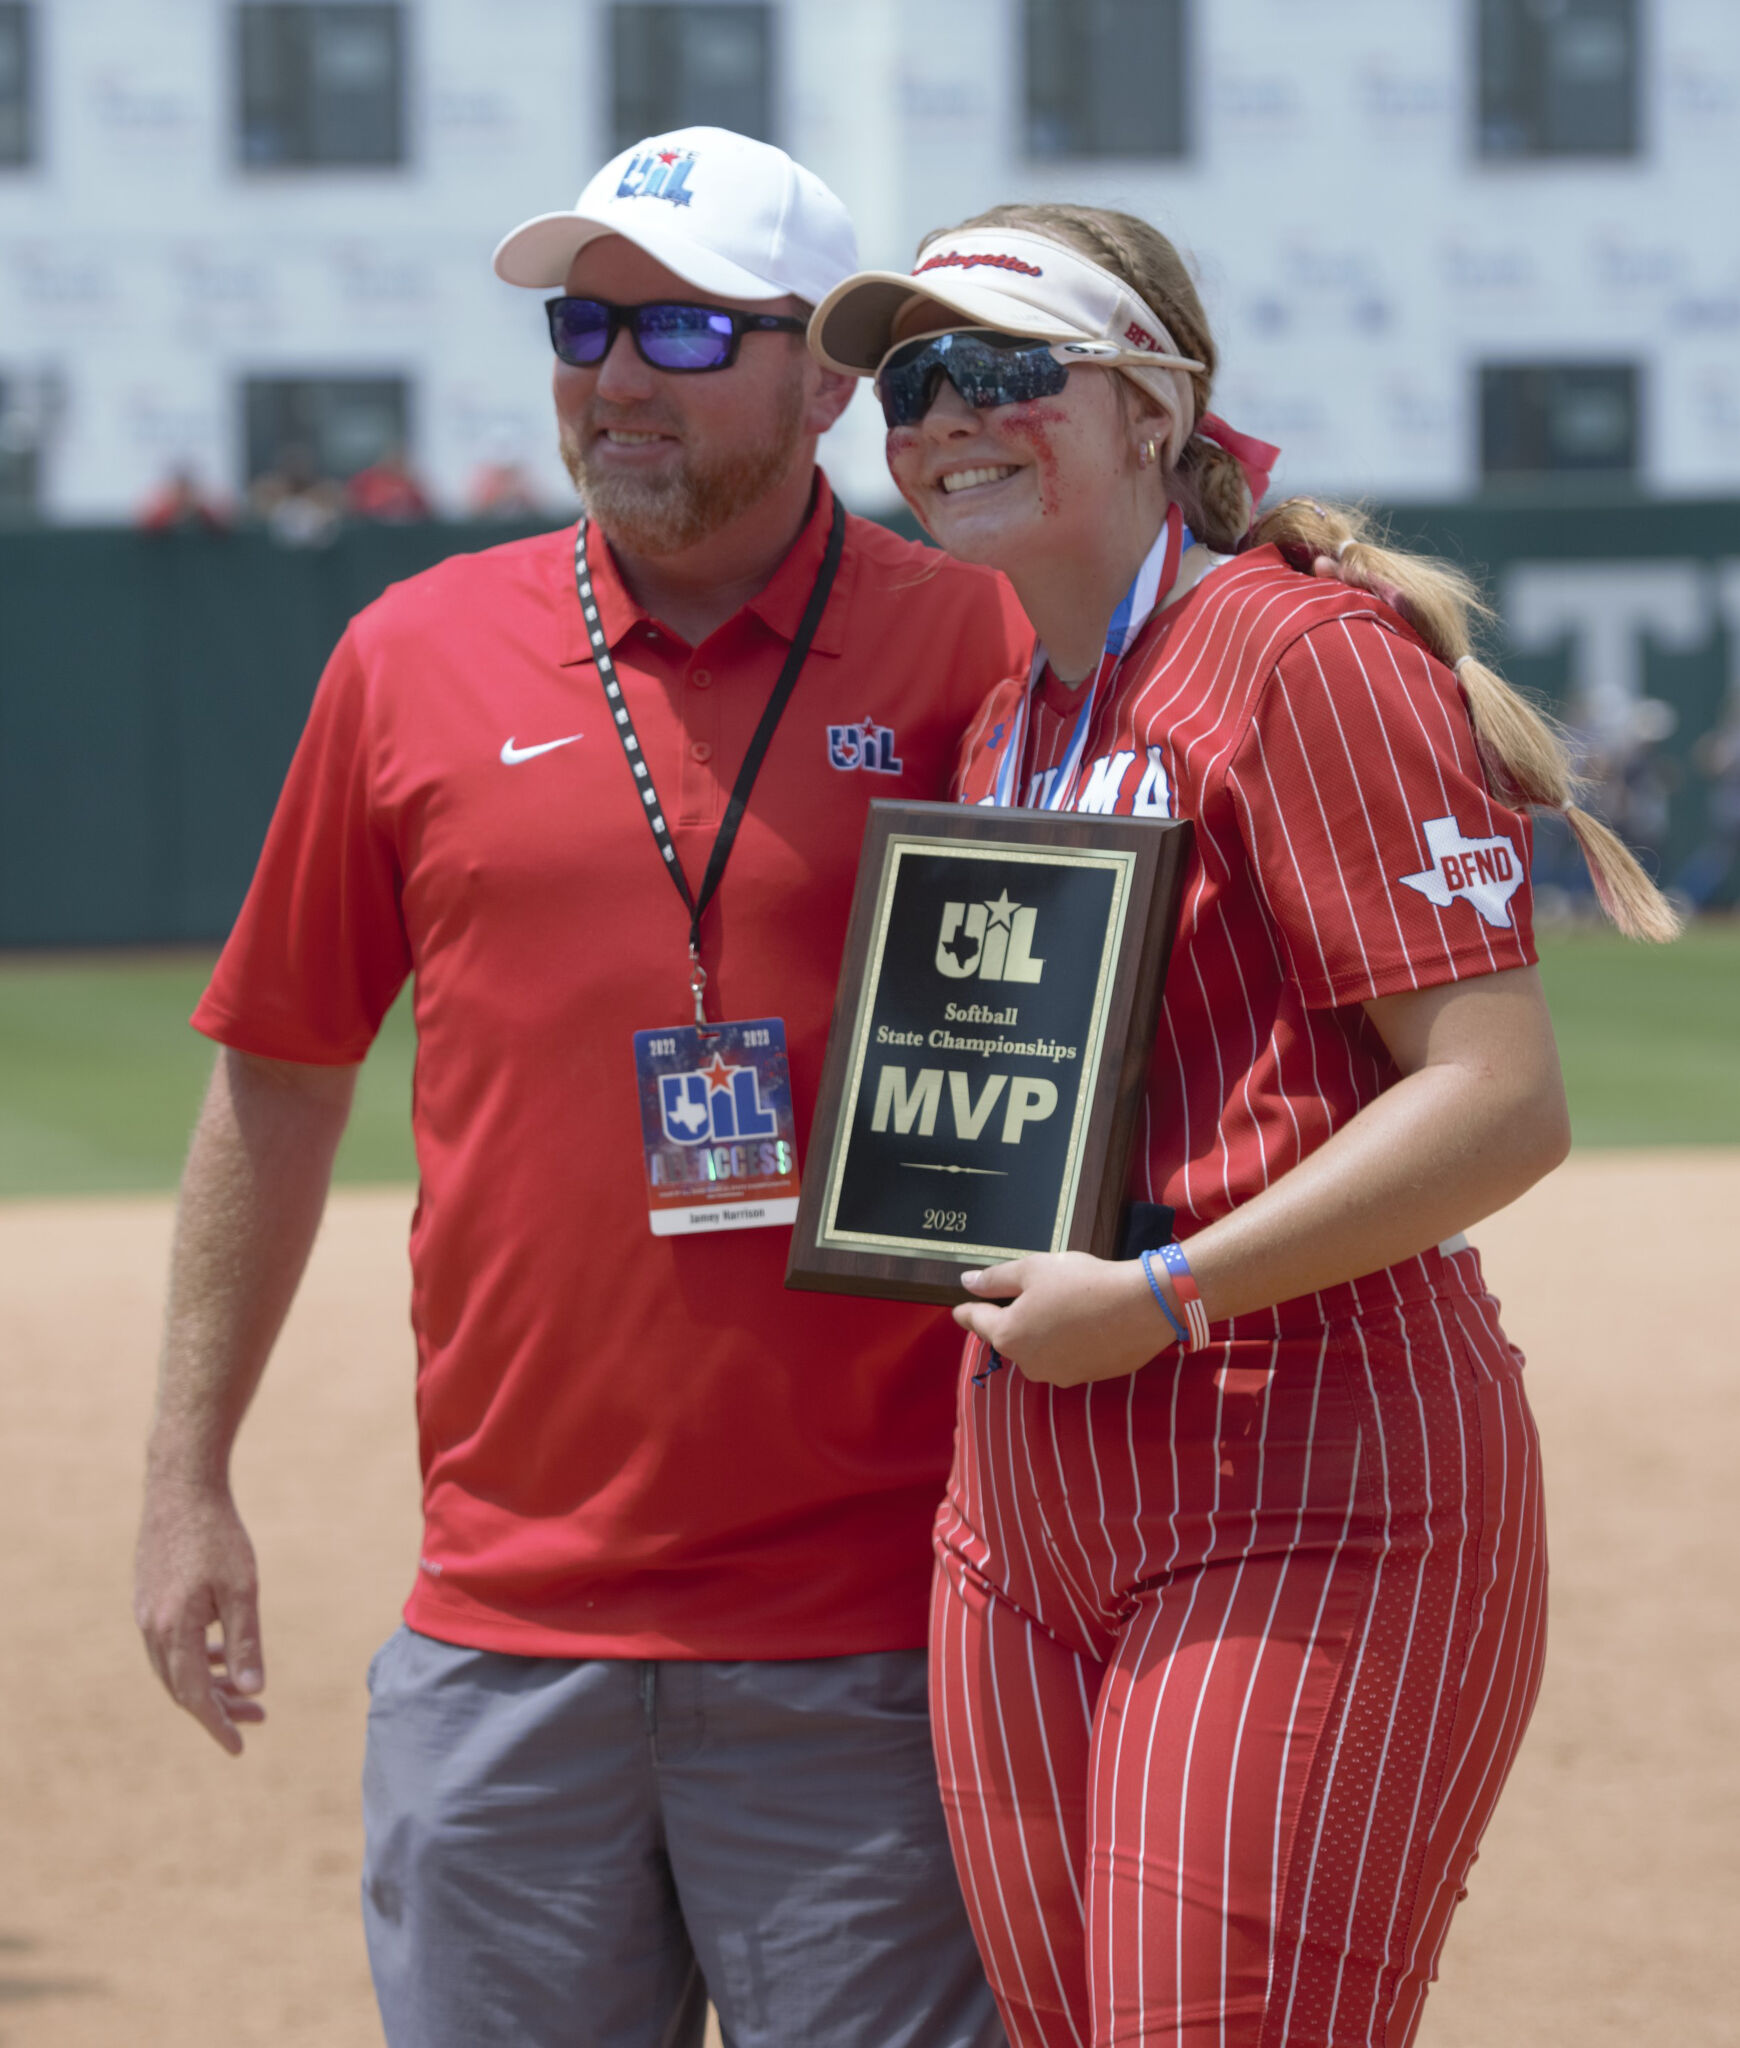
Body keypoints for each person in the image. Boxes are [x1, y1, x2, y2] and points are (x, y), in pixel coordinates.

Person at [132, 129, 1030, 2048]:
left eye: (691, 330)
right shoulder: (409, 655)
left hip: (877, 1649)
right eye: (588, 321)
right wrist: (184, 1479)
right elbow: (280, 1075)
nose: (619, 374)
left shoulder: (980, 649)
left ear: (828, 374)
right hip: (504, 1652)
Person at [811, 204, 1678, 2048]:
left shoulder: (1303, 657)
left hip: (1305, 1469)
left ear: (1152, 401)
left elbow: (1500, 1103)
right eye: (911, 380)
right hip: (1028, 1497)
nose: (948, 413)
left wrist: (1172, 1289)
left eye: (1005, 366)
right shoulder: (1010, 721)